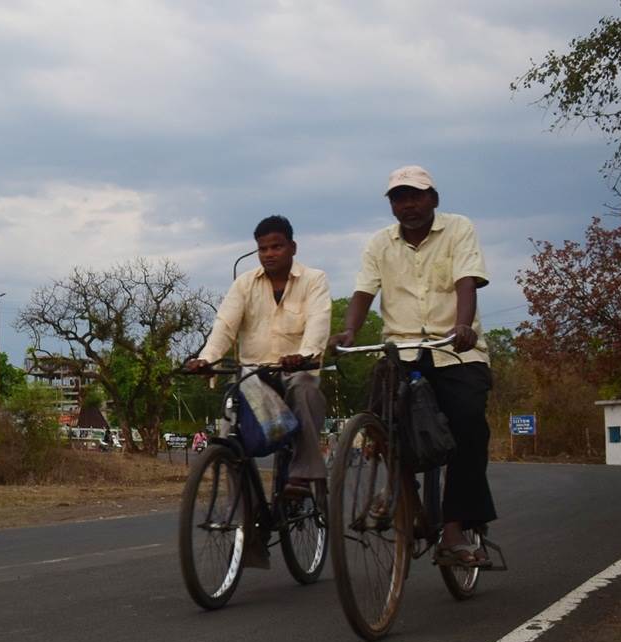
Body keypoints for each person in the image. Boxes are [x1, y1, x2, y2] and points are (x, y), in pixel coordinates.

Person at [329, 165, 495, 567]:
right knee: (381, 422)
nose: (408, 205)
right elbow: (364, 291)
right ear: (391, 206)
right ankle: (405, 494)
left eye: (416, 196)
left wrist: (462, 324)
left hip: (454, 348)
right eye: (399, 198)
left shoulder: (458, 229)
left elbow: (466, 281)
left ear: (433, 199)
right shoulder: (379, 244)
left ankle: (455, 528)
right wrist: (347, 332)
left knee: (468, 424)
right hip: (401, 351)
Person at [185, 214, 331, 498]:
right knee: (230, 434)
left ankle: (302, 474)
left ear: (293, 247)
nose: (269, 254)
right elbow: (225, 326)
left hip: (295, 372)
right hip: (254, 377)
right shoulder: (244, 284)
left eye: (276, 247)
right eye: (263, 249)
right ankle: (241, 519)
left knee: (304, 390)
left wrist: (302, 355)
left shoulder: (314, 280)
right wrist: (207, 359)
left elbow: (318, 325)